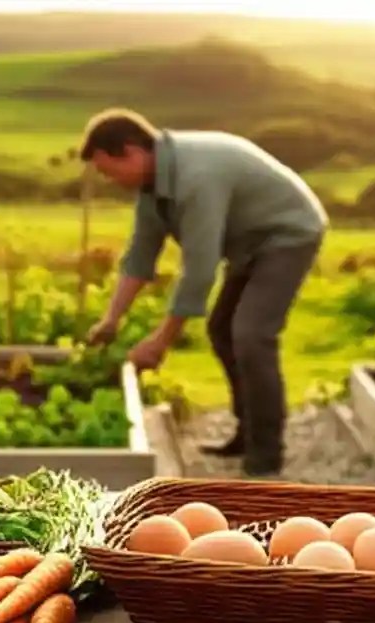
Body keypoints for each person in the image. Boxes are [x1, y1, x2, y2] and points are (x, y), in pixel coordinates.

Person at [79, 108, 328, 478]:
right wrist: (111, 320)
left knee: (251, 334)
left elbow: (199, 268)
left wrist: (161, 341)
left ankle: (266, 455)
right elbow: (139, 259)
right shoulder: (154, 188)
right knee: (222, 329)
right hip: (249, 244)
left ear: (131, 151)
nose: (109, 179)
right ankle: (247, 433)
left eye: (107, 170)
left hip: (288, 234)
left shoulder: (196, 177)